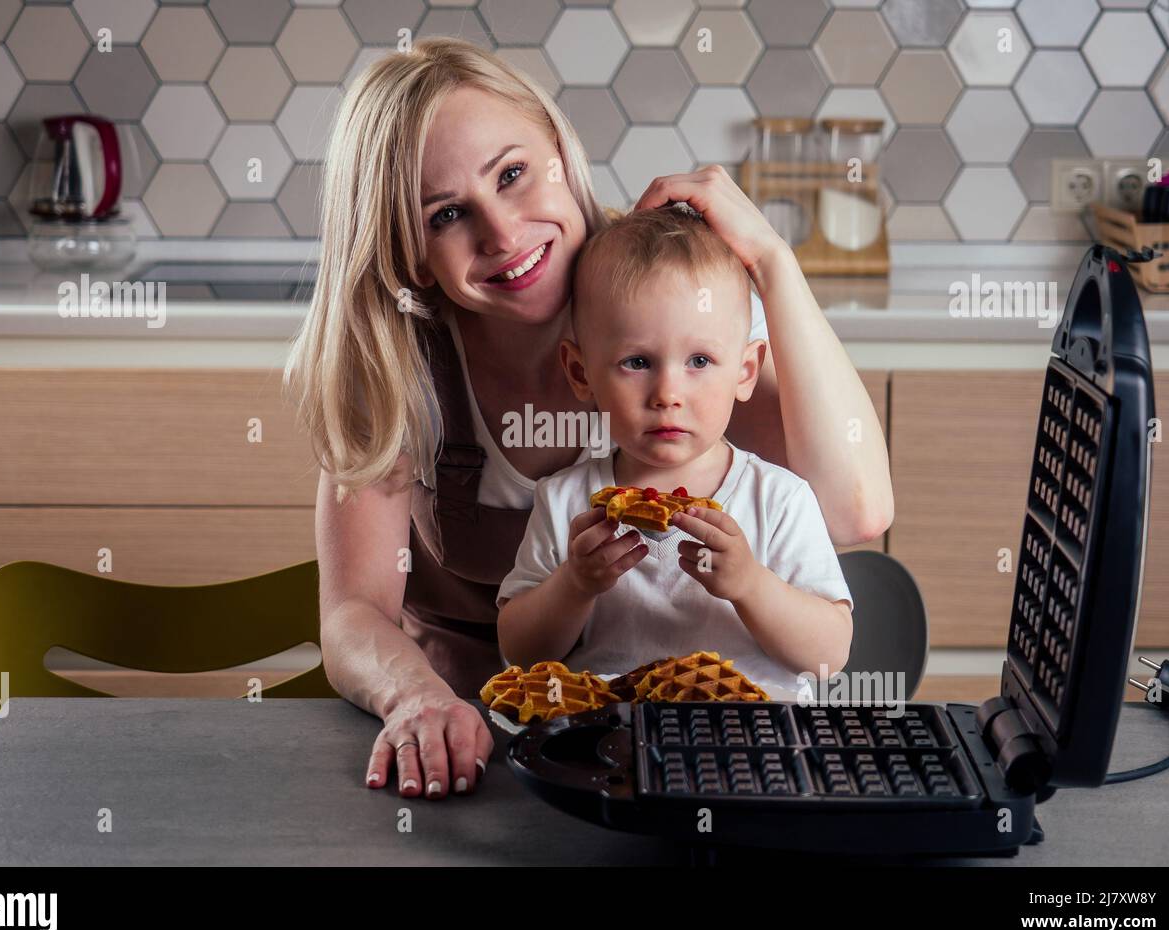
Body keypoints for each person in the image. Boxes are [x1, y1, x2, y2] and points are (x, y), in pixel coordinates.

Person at [283, 39, 892, 800]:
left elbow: (857, 510)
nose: (503, 235)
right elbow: (352, 613)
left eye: (512, 174)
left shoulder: (667, 304)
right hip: (473, 748)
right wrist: (417, 697)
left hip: (695, 755)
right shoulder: (396, 361)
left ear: (562, 154)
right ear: (408, 252)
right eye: (447, 215)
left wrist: (771, 258)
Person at [496, 205, 853, 698]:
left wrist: (750, 584)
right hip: (608, 740)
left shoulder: (779, 498)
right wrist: (574, 585)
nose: (667, 392)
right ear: (581, 374)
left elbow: (829, 655)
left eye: (700, 360)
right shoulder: (565, 501)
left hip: (754, 748)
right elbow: (520, 652)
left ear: (745, 371)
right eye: (637, 361)